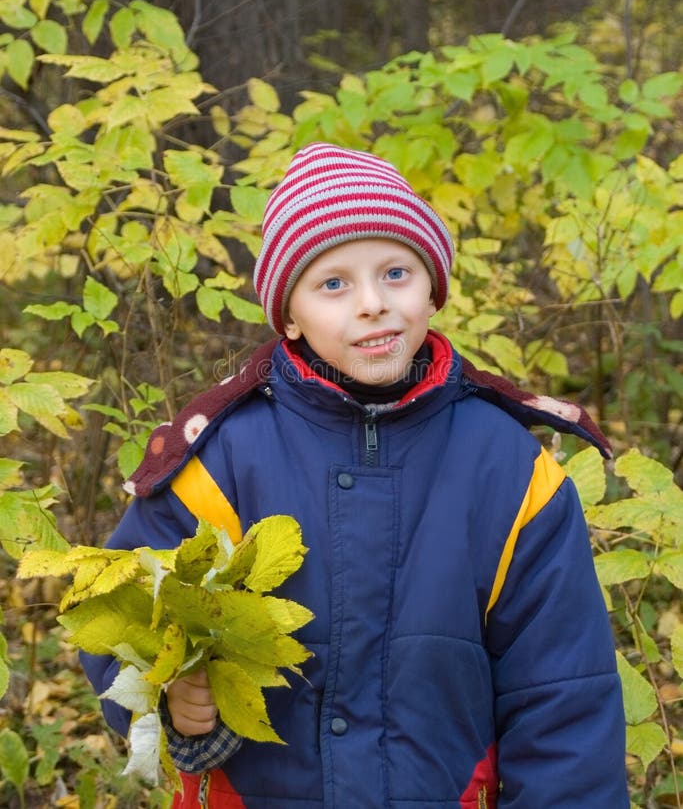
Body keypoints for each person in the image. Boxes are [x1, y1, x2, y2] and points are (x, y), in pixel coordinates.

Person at [81, 142, 629, 808]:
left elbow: (562, 695)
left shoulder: (511, 471)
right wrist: (169, 689)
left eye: (395, 272)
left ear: (433, 288)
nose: (372, 303)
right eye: (332, 283)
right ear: (288, 314)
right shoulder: (220, 461)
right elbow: (122, 619)